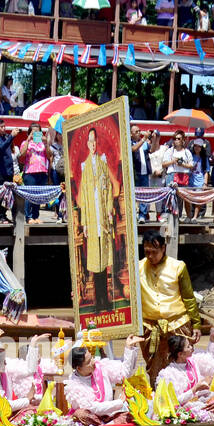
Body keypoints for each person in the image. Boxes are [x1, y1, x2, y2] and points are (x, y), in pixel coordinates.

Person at [139, 232, 201, 380]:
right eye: (147, 252)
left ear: (163, 248)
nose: (150, 256)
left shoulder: (178, 266)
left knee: (181, 366)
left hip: (177, 323)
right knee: (154, 369)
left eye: (154, 252)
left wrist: (196, 324)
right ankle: (158, 397)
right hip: (150, 326)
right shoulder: (138, 268)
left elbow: (188, 297)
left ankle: (185, 397)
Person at [74, 126, 120, 309]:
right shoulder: (84, 166)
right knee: (95, 258)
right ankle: (98, 300)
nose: (92, 145)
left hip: (103, 216)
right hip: (92, 218)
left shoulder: (103, 163)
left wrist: (109, 210)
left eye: (95, 141)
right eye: (90, 141)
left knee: (105, 257)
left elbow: (108, 189)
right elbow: (83, 196)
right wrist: (84, 222)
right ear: (87, 144)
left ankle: (106, 298)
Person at [152, 329, 214, 418]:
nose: (192, 348)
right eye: (188, 346)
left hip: (201, 401)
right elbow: (175, 401)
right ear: (180, 354)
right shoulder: (168, 373)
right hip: (184, 409)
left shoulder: (193, 361)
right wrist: (195, 389)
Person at [65, 336, 144, 425]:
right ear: (79, 368)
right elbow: (93, 408)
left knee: (132, 416)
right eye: (88, 362)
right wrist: (119, 402)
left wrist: (129, 347)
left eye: (91, 358)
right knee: (81, 414)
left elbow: (124, 373)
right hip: (91, 419)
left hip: (109, 416)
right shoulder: (74, 384)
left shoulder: (101, 367)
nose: (93, 362)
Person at [18, 126, 50, 222]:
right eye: (34, 132)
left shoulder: (42, 144)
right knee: (30, 195)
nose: (36, 134)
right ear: (29, 133)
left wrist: (46, 143)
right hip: (30, 171)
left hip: (42, 171)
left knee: (39, 195)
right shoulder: (25, 143)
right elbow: (22, 155)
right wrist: (28, 139)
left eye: (38, 132)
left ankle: (36, 216)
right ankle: (28, 217)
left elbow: (49, 155)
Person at [0, 119, 15, 223]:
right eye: (1, 127)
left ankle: (4, 215)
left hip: (8, 171)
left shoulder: (5, 137)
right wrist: (11, 136)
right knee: (0, 196)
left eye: (4, 126)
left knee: (7, 195)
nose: (4, 128)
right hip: (0, 172)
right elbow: (2, 148)